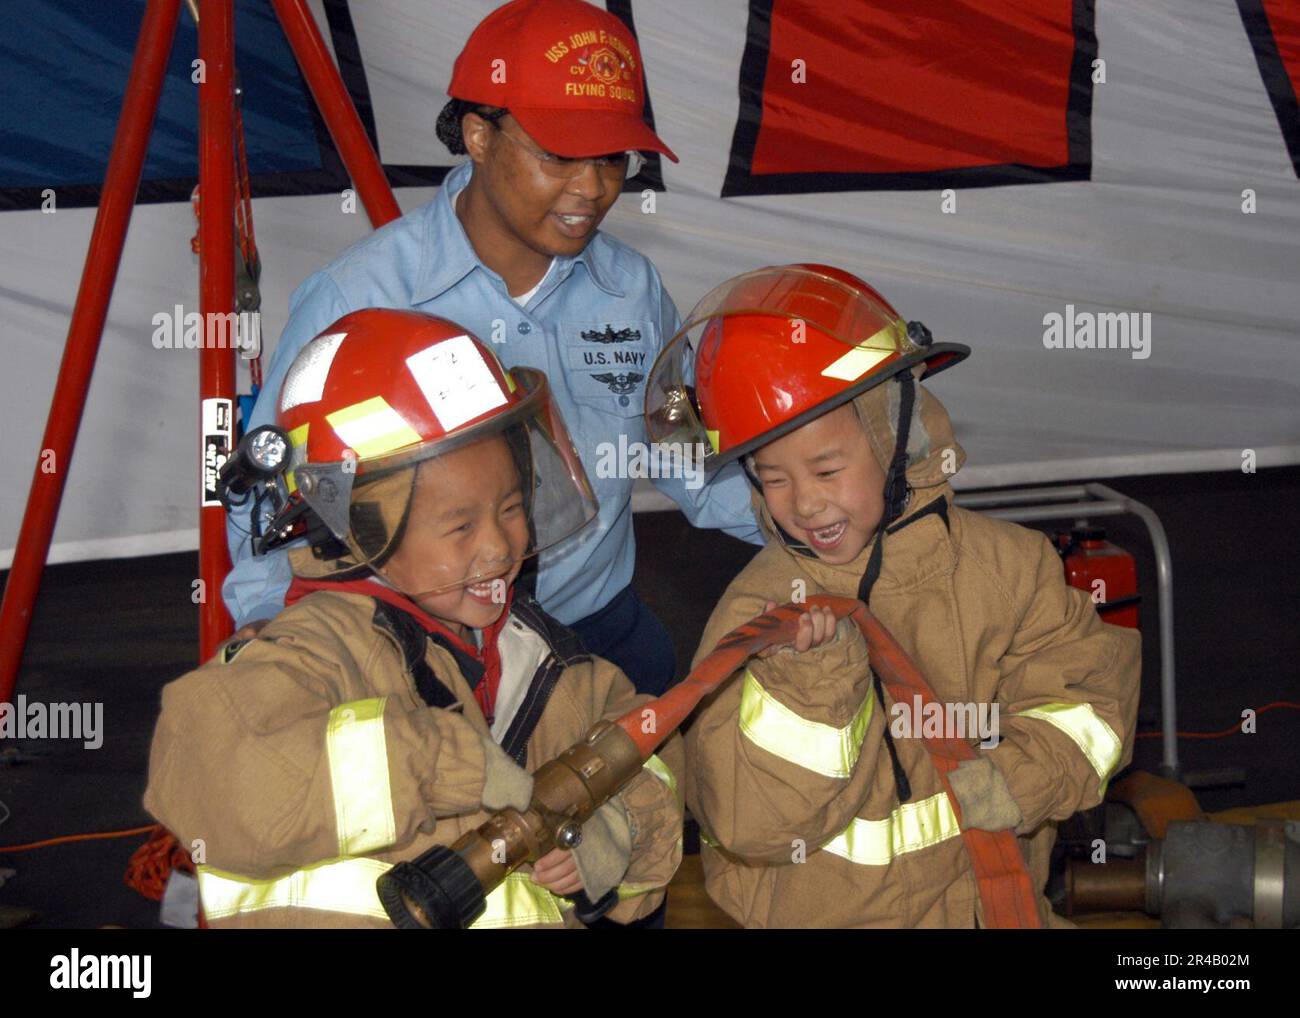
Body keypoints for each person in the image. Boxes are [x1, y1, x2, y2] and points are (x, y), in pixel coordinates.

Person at [223, 0, 760, 696]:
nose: (593, 188)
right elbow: (273, 492)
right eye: (559, 155)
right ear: (478, 135)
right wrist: (276, 630)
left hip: (602, 639)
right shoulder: (359, 298)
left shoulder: (630, 287)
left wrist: (817, 509)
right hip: (436, 657)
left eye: (612, 159)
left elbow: (688, 455)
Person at [148, 310, 683, 928]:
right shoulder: (313, 652)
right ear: (360, 526)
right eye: (460, 525)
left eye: (512, 507)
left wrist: (617, 826)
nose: (499, 547)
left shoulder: (541, 657)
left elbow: (649, 751)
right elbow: (213, 772)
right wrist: (453, 767)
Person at [645, 264, 1140, 927]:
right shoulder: (761, 614)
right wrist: (812, 693)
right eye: (772, 478)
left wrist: (1021, 779)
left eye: (826, 468)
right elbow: (747, 824)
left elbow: (1091, 705)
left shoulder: (1013, 568)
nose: (806, 503)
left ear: (896, 436)